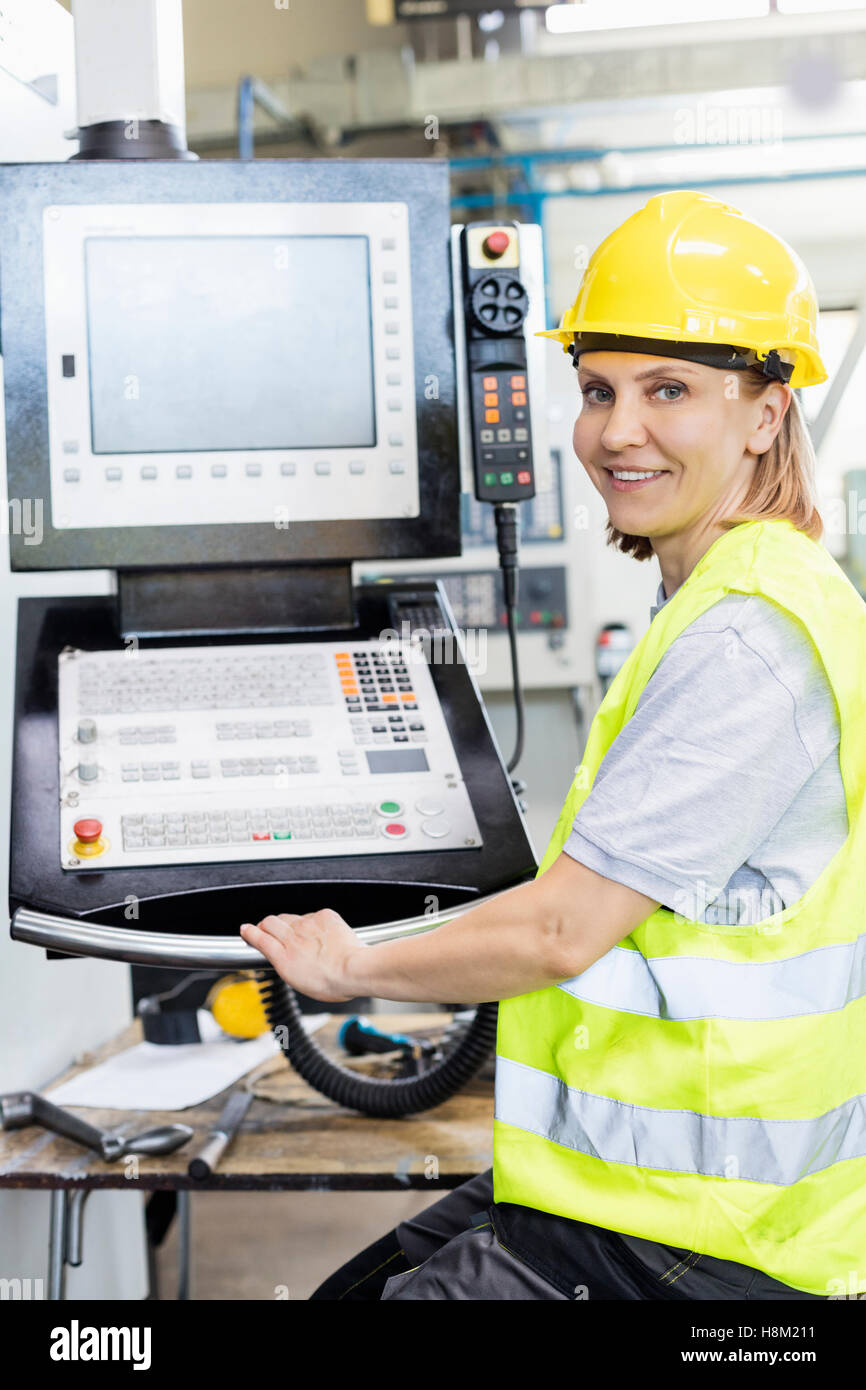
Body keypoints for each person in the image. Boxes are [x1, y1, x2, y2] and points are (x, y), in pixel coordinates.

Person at [240, 190, 866, 1301]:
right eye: (597, 390)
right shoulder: (718, 601)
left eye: (667, 390)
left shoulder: (749, 633)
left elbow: (560, 929)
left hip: (704, 1236)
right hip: (628, 1186)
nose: (616, 431)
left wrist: (352, 969)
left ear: (766, 414)